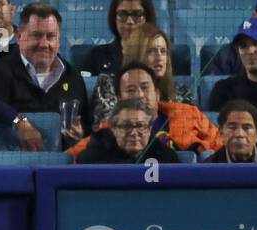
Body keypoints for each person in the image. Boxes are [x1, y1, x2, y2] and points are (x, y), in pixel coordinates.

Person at [0, 3, 91, 148]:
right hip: (12, 162)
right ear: (19, 37)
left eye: (51, 36)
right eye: (36, 35)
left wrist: (79, 138)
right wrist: (19, 122)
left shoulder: (74, 78)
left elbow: (87, 130)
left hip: (61, 165)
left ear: (58, 40)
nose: (44, 44)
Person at [67, 63, 225, 160]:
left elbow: (224, 145)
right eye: (131, 89)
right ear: (119, 98)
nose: (139, 95)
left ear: (156, 94)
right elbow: (69, 158)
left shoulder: (188, 114)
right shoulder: (110, 129)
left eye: (145, 88)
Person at [76, 97, 180, 164]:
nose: (134, 133)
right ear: (113, 129)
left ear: (150, 129)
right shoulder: (96, 152)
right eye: (126, 126)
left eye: (140, 126)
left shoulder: (164, 156)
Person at [85, 0, 156, 77]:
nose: (130, 21)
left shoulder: (161, 56)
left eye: (137, 14)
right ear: (114, 18)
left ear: (147, 18)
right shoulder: (97, 56)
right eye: (123, 15)